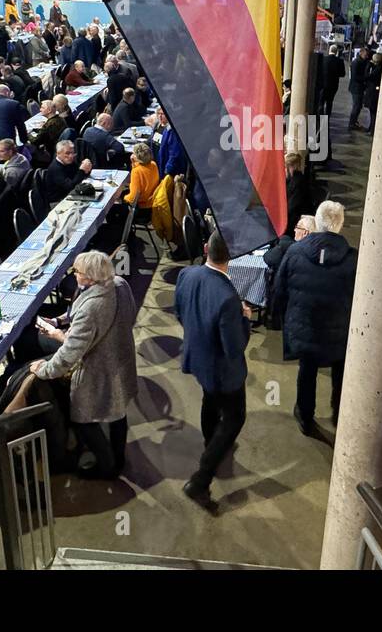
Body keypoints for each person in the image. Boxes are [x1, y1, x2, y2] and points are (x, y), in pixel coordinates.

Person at [29, 250, 137, 479]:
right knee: (118, 411)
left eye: (77, 272)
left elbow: (69, 354)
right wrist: (59, 321)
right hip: (121, 358)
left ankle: (107, 467)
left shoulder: (91, 308)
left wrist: (45, 370)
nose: (74, 275)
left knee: (82, 419)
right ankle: (118, 458)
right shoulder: (118, 284)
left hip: (100, 370)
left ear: (89, 277)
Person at [174, 232, 254, 506]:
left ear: (206, 248)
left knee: (210, 401)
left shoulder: (187, 274)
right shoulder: (228, 298)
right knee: (234, 419)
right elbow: (234, 348)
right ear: (231, 258)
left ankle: (211, 442)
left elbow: (179, 312)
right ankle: (201, 478)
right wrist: (245, 320)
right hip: (224, 371)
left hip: (198, 359)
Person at [270, 200, 358, 437]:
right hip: (339, 332)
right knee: (340, 374)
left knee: (306, 372)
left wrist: (286, 321)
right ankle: (339, 414)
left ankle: (305, 416)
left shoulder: (296, 252)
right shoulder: (353, 260)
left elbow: (280, 290)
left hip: (305, 328)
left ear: (317, 222)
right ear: (340, 225)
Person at [39, 139, 92, 205]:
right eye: (67, 153)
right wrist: (82, 171)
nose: (71, 156)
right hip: (58, 202)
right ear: (58, 153)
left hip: (71, 196)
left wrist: (87, 169)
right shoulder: (55, 168)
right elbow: (70, 186)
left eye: (72, 153)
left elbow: (78, 177)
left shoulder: (69, 162)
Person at [124, 142, 159, 215]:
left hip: (141, 207)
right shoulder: (153, 164)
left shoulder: (136, 172)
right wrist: (134, 163)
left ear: (136, 156)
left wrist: (124, 198)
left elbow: (133, 197)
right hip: (151, 201)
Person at [349, 46, 372, 130]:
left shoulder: (363, 61)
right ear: (361, 53)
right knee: (356, 106)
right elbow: (355, 77)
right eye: (365, 55)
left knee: (358, 106)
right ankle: (352, 123)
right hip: (356, 88)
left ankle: (354, 121)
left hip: (359, 87)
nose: (366, 56)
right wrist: (366, 78)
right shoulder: (356, 63)